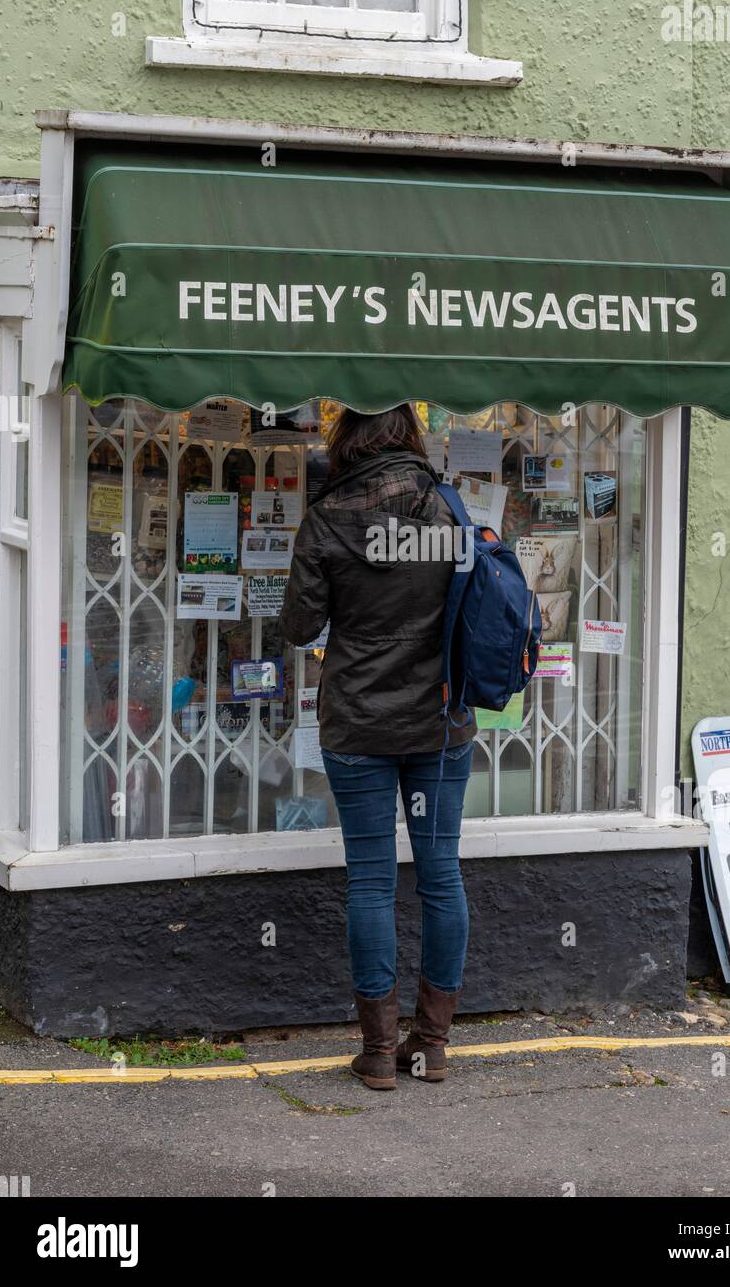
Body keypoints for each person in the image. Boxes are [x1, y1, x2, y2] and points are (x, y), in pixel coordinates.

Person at [277, 404, 476, 1089]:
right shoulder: (449, 512)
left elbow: (301, 627)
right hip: (442, 721)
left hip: (359, 724)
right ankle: (433, 1045)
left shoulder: (329, 517)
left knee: (371, 880)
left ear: (347, 438)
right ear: (411, 436)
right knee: (440, 873)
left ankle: (377, 1050)